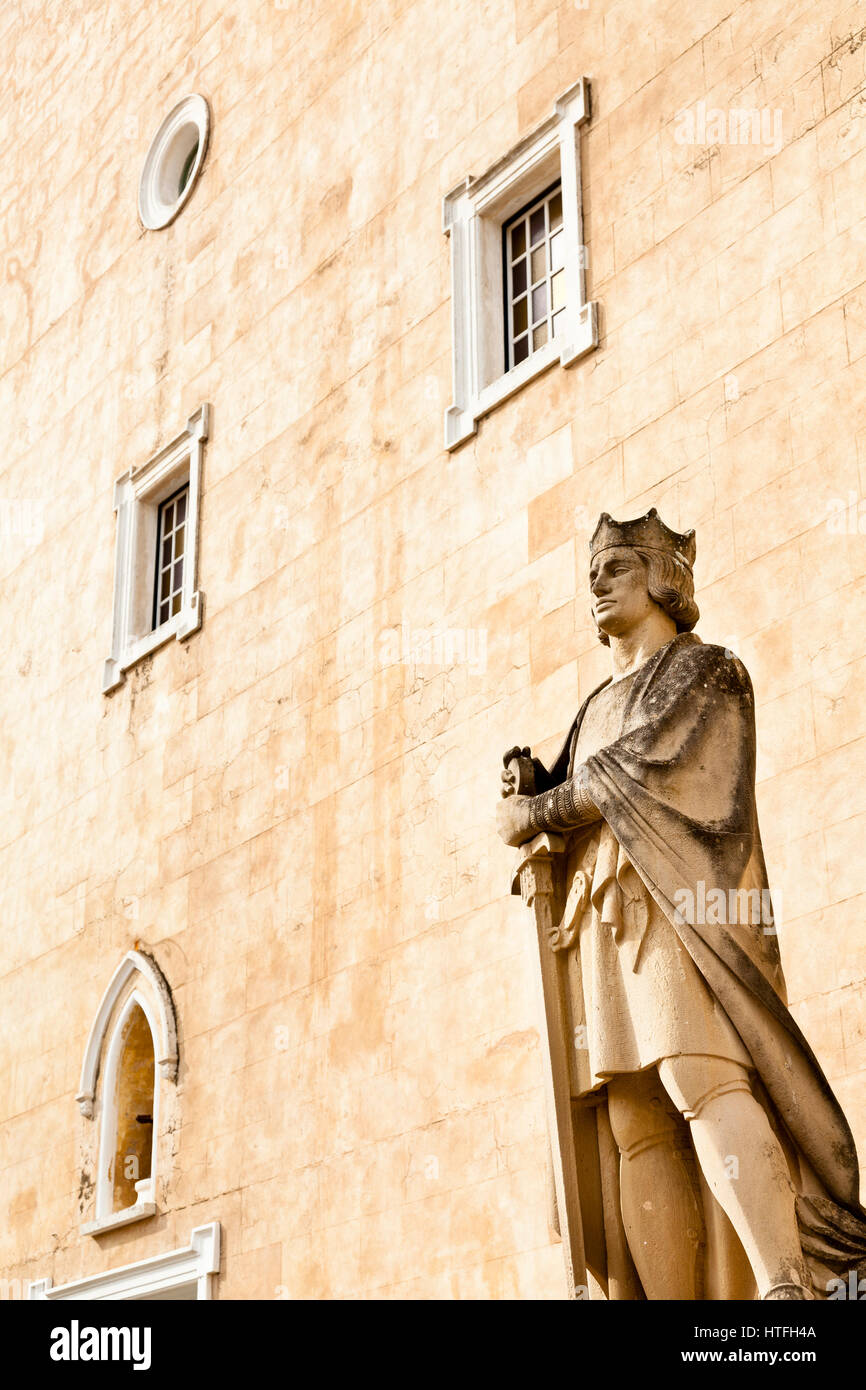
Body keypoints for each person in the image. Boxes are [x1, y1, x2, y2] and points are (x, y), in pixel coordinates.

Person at [497, 508, 866, 1300]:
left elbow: (643, 770)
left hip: (679, 906)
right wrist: (532, 789)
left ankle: (786, 1286)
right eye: (592, 570)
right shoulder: (592, 705)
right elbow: (570, 788)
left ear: (664, 577)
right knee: (634, 1123)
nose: (597, 582)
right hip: (597, 917)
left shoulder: (710, 673)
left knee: (701, 1080)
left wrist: (543, 810)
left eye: (618, 566)